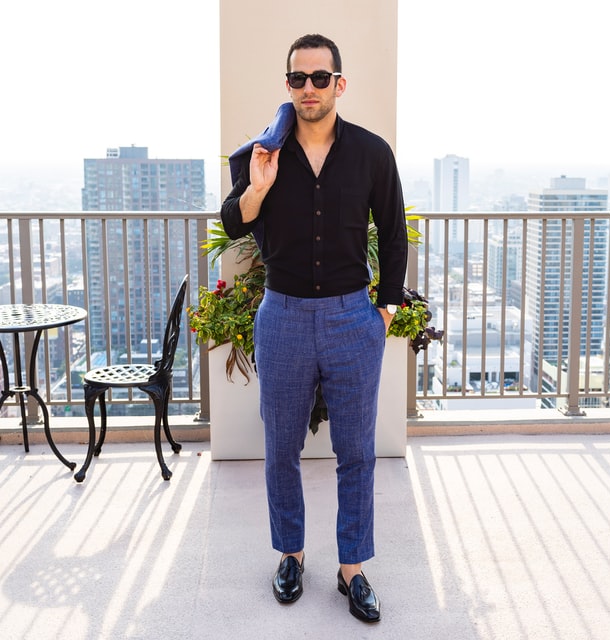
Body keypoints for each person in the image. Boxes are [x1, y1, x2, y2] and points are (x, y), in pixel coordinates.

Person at [221, 33, 407, 623]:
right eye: (297, 79)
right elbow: (231, 225)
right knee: (281, 450)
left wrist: (386, 309)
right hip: (283, 316)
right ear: (288, 86)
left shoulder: (373, 154)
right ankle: (292, 555)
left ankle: (353, 568)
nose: (308, 88)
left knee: (357, 452)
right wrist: (259, 185)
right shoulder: (258, 156)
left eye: (319, 78)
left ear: (338, 84)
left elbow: (395, 233)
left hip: (355, 317)